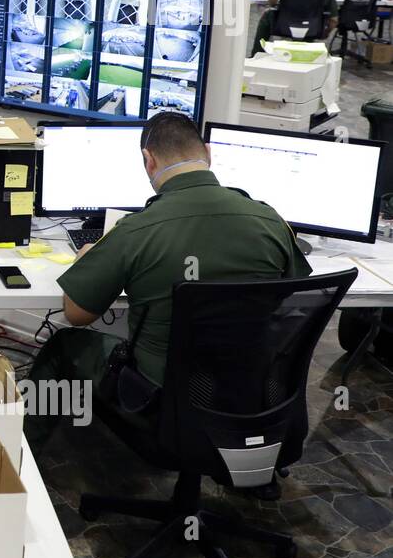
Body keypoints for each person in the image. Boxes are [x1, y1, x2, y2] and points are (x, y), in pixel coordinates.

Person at [25, 110, 311, 444]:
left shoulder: (137, 229)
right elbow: (295, 294)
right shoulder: (270, 220)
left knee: (64, 345)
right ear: (207, 153)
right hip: (253, 397)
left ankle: (18, 462)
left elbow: (77, 314)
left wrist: (88, 261)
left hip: (159, 400)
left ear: (149, 160)